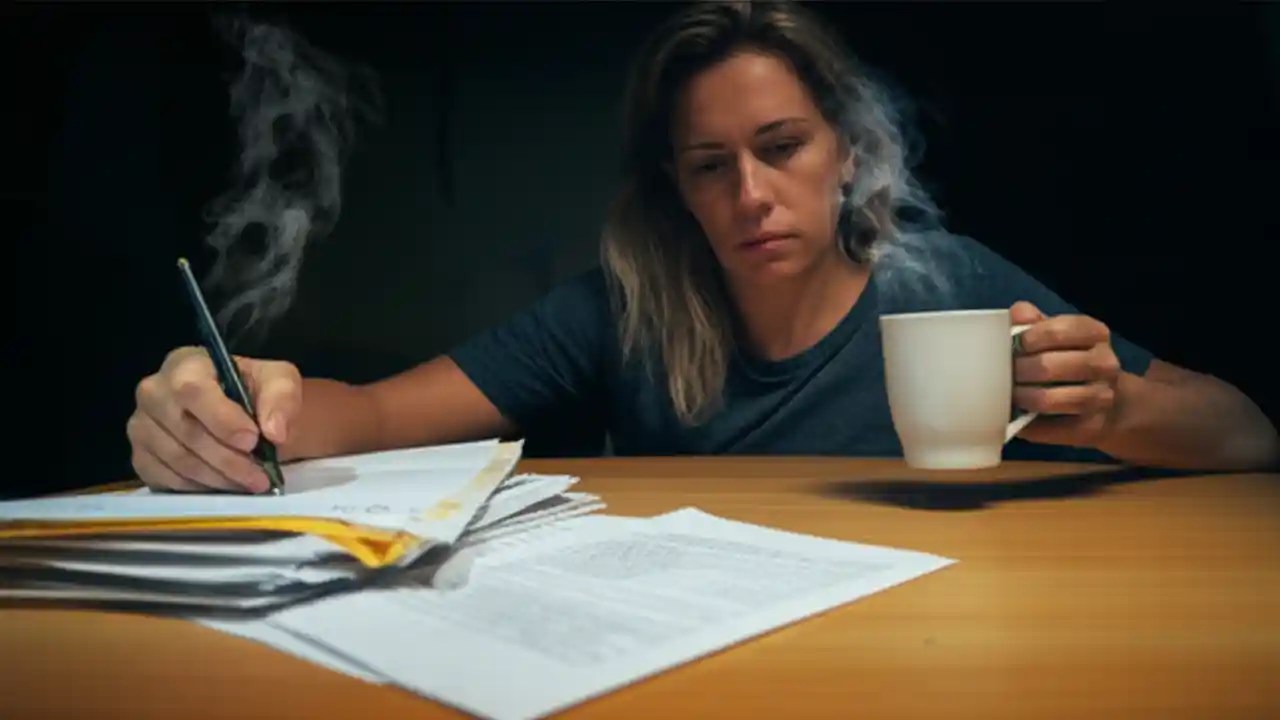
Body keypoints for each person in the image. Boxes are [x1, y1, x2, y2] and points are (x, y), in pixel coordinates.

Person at [126, 0, 1278, 493]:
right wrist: (239, 401)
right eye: (709, 164)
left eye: (781, 146)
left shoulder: (951, 283)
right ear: (672, 189)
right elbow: (369, 418)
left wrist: (1115, 412)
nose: (752, 194)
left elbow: (1246, 434)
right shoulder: (620, 312)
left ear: (849, 151)